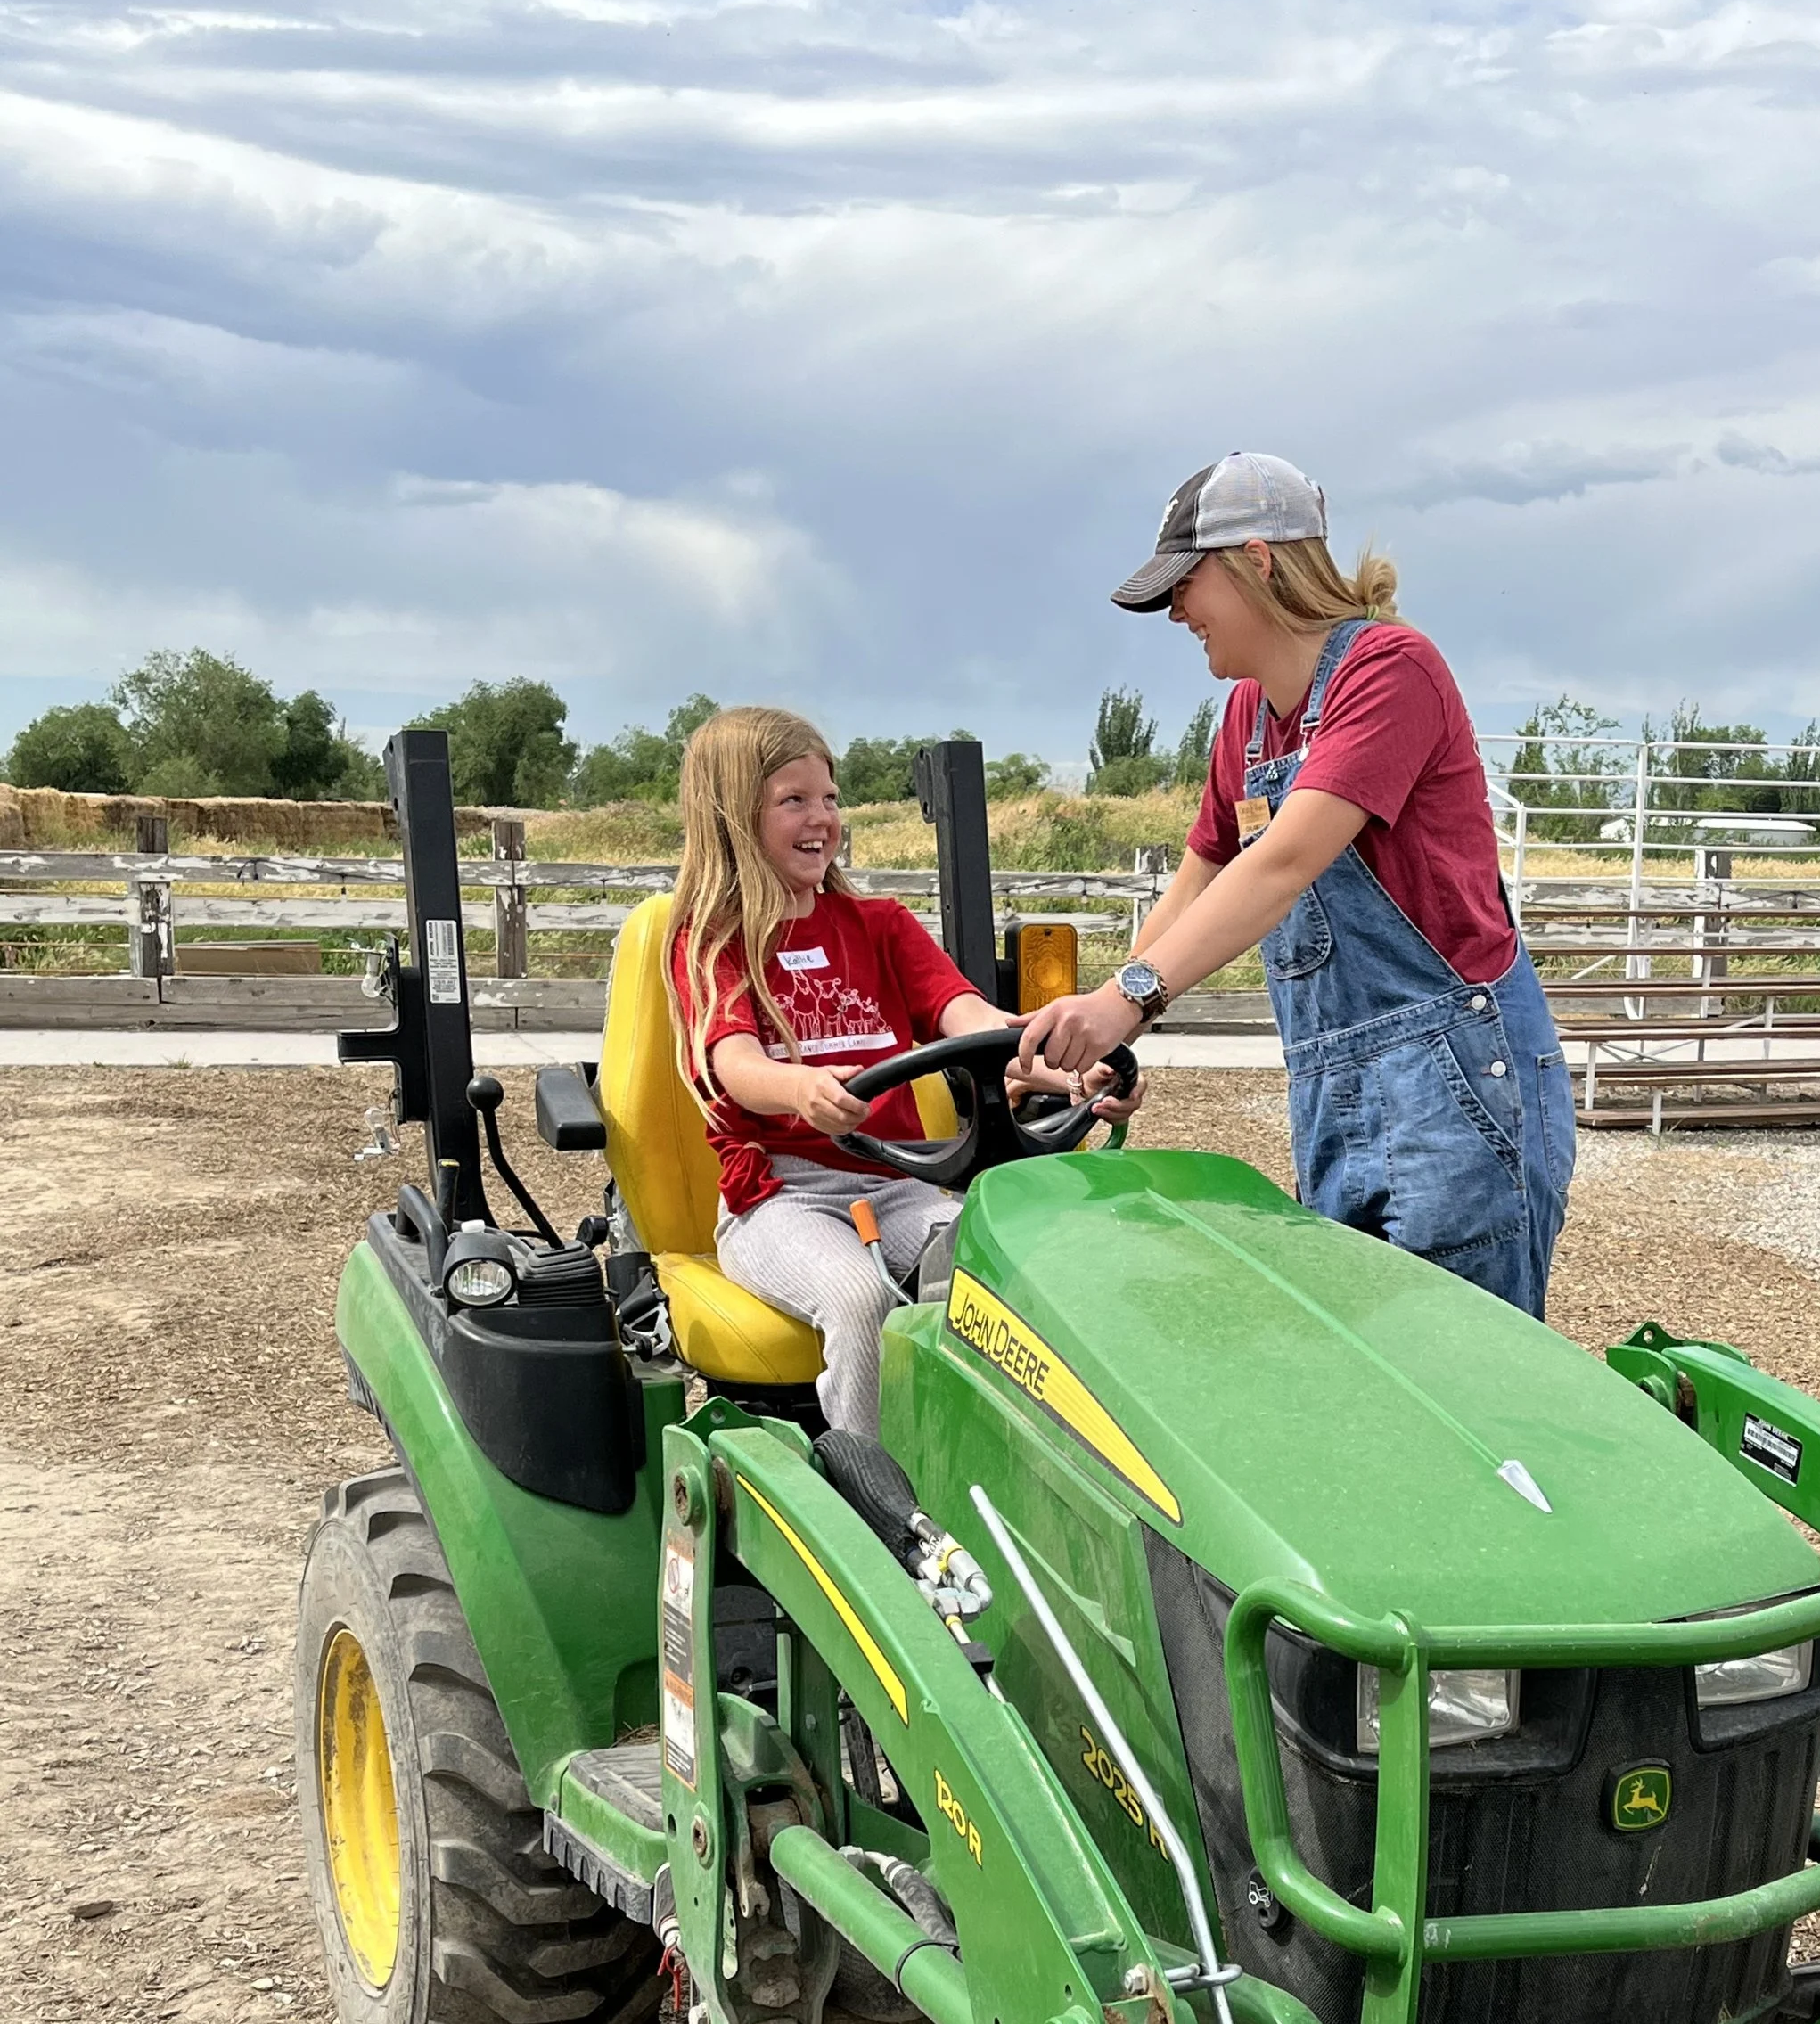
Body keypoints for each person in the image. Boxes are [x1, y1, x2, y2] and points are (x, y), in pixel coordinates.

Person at [1014, 453, 1575, 1316]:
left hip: (1452, 1079)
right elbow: (1198, 885)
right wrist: (1106, 1032)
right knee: (1360, 1373)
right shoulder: (1244, 720)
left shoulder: (1390, 671)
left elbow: (1278, 865)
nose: (1174, 614)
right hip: (1329, 1085)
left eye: (1184, 586)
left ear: (1258, 562)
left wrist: (1126, 1000)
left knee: (1459, 1372)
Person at [667, 705, 1139, 1433]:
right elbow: (732, 1062)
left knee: (1002, 1263)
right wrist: (798, 1087)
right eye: (793, 800)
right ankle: (876, 1507)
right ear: (733, 816)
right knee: (861, 1301)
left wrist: (1072, 1074)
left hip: (898, 1179)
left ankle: (981, 1465)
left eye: (829, 797)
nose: (821, 817)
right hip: (780, 1198)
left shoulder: (880, 925)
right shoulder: (714, 939)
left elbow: (976, 1023)